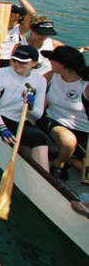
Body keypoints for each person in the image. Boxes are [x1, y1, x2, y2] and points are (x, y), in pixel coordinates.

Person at [0, 45, 55, 172]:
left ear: (34, 64)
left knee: (52, 150)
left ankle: (39, 174)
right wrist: (2, 128)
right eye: (15, 60)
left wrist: (31, 106)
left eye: (23, 62)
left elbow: (38, 115)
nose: (17, 64)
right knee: (39, 138)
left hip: (21, 119)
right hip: (0, 116)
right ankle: (42, 176)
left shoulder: (40, 81)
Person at [37, 46, 89, 180]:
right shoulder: (51, 76)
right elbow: (31, 87)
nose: (49, 61)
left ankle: (70, 159)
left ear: (64, 65)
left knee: (87, 171)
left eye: (52, 59)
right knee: (68, 141)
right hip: (55, 121)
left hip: (84, 131)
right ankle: (57, 165)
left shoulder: (85, 85)